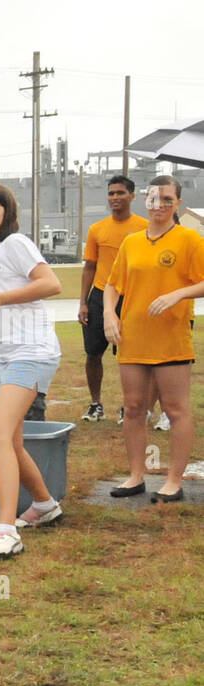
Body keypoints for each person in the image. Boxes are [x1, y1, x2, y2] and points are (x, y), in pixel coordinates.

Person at [0, 183, 64, 558]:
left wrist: (2, 298)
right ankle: (44, 504)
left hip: (31, 353)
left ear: (7, 211)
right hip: (5, 355)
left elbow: (51, 283)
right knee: (11, 440)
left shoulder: (17, 243)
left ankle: (7, 532)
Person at [103, 174, 204, 504]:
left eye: (166, 200)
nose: (158, 205)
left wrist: (179, 294)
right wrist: (110, 314)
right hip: (133, 337)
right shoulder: (132, 241)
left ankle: (174, 480)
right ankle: (135, 475)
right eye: (153, 199)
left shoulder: (189, 239)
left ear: (177, 204)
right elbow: (113, 284)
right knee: (133, 408)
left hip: (171, 338)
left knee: (176, 410)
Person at [77, 176, 146, 423]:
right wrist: (83, 302)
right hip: (99, 295)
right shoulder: (97, 229)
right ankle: (96, 404)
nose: (115, 197)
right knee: (93, 353)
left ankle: (130, 406)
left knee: (130, 357)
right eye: (111, 193)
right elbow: (89, 267)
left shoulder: (144, 227)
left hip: (132, 297)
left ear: (132, 195)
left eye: (120, 193)